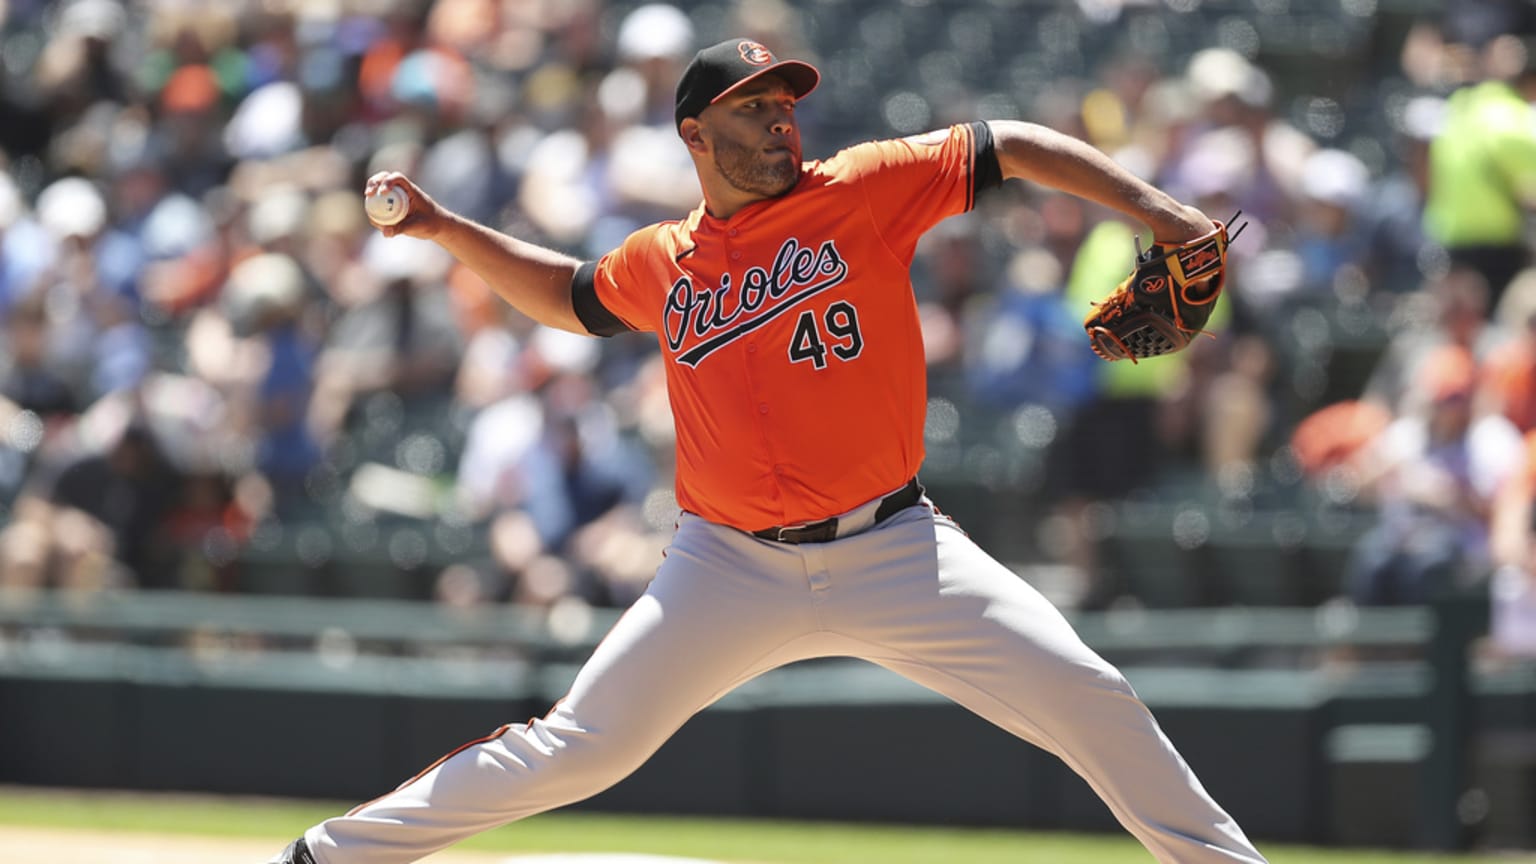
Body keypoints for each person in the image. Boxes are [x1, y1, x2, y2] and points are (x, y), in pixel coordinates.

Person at [269, 38, 1266, 864]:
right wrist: (446, 227)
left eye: (784, 101)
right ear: (695, 135)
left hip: (895, 546)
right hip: (726, 563)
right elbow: (570, 297)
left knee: (1089, 695)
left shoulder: (866, 187)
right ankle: (329, 856)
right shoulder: (665, 258)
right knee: (579, 748)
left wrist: (1165, 215)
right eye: (752, 108)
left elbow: (1013, 144)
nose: (780, 118)